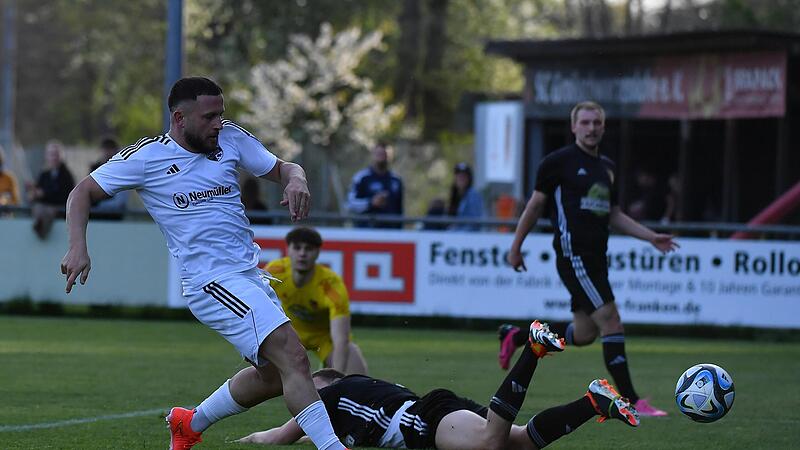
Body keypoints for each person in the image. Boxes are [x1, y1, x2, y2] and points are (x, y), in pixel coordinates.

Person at [60, 77, 347, 450]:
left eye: (221, 114)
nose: (218, 124)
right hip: (210, 281)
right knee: (294, 356)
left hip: (249, 276)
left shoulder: (230, 138)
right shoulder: (147, 157)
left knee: (276, 376)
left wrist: (297, 179)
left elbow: (284, 168)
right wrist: (77, 247)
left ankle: (189, 423)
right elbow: (81, 192)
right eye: (209, 117)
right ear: (179, 118)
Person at [501, 101, 678, 418]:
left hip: (597, 257)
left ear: (603, 127)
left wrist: (651, 237)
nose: (591, 128)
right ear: (573, 127)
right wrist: (516, 247)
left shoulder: (607, 167)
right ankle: (632, 400)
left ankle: (517, 336)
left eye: (596, 122)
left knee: (584, 334)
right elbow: (535, 205)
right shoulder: (557, 162)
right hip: (574, 254)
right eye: (585, 122)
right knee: (611, 319)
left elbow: (614, 214)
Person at [238, 321, 640, 449]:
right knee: (517, 443)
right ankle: (593, 402)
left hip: (423, 422)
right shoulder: (351, 395)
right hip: (436, 412)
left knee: (491, 442)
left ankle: (532, 349)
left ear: (323, 383)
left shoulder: (328, 396)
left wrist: (241, 440)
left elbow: (278, 437)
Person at [265, 226, 368, 374]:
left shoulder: (331, 285)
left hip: (325, 337)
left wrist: (336, 378)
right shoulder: (275, 272)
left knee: (356, 377)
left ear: (318, 252)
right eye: (297, 248)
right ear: (288, 250)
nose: (302, 254)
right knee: (267, 374)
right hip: (290, 332)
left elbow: (341, 339)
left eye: (309, 249)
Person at [346, 142, 403, 228]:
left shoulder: (396, 180)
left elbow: (399, 210)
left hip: (391, 231)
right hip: (367, 230)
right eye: (379, 154)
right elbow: (350, 204)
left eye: (384, 154)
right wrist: (371, 203)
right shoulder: (362, 178)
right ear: (373, 155)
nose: (381, 157)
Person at [28, 140, 75, 239]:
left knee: (48, 210)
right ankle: (40, 227)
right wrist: (34, 193)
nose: (54, 157)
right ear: (46, 156)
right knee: (38, 208)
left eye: (56, 154)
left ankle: (40, 229)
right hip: (44, 207)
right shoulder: (44, 174)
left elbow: (66, 196)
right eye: (51, 154)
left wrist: (44, 194)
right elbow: (37, 192)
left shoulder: (67, 175)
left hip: (60, 209)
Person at [89, 137, 129, 220]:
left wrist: (97, 205)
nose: (107, 152)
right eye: (106, 149)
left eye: (110, 149)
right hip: (95, 216)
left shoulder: (122, 171)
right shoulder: (95, 170)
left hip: (113, 217)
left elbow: (119, 202)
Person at [447, 162, 484, 231]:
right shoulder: (455, 196)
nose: (461, 178)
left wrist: (455, 231)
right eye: (458, 175)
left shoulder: (473, 195)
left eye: (464, 176)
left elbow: (475, 223)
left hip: (466, 235)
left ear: (469, 178)